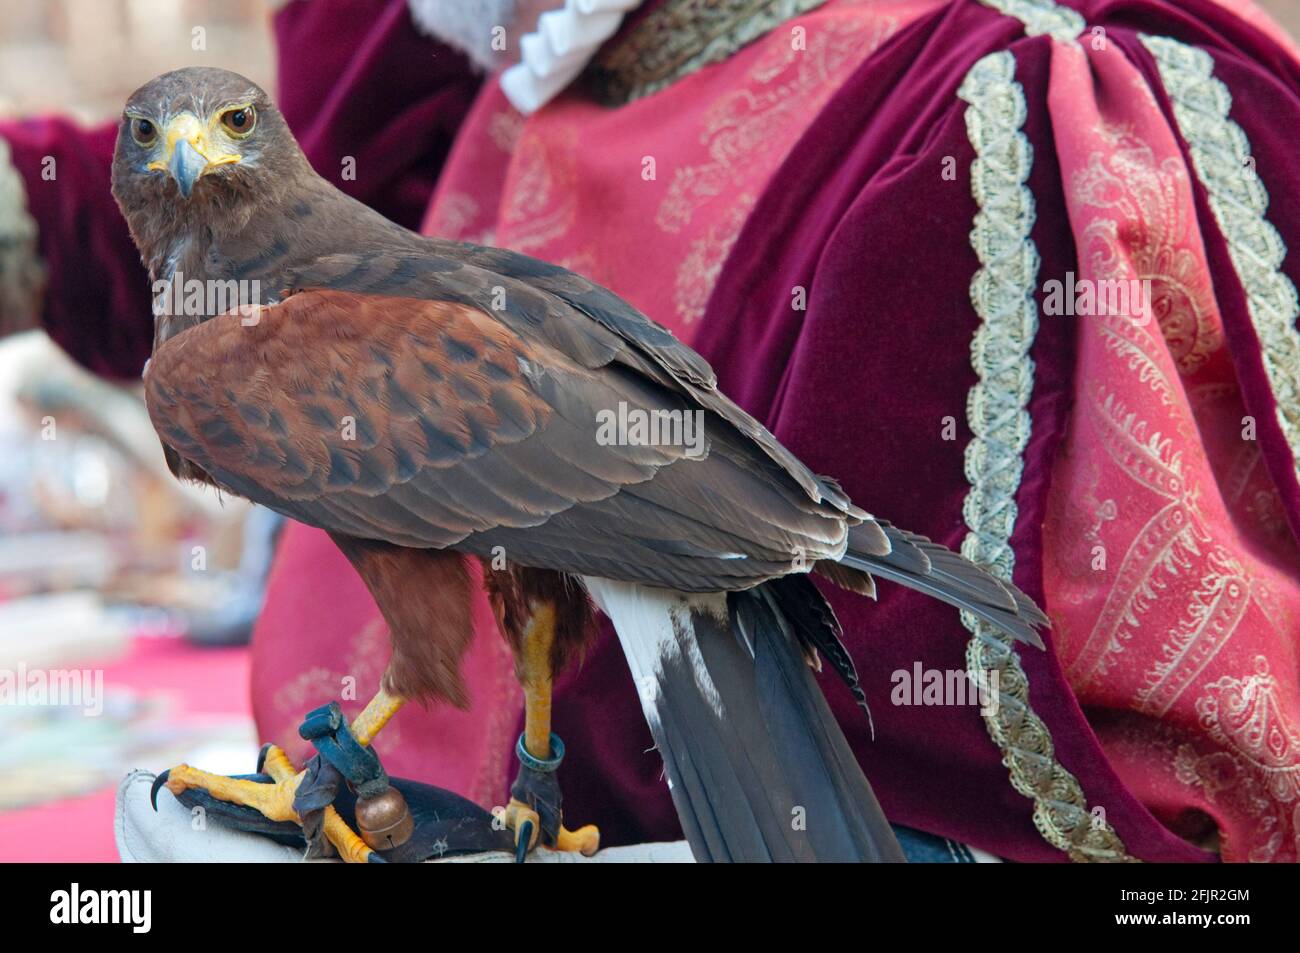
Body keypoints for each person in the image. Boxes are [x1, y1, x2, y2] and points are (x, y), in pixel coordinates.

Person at [4, 0, 1300, 862]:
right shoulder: (505, 69)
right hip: (508, 698)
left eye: (227, 130)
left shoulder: (992, 89)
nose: (195, 151)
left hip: (707, 632)